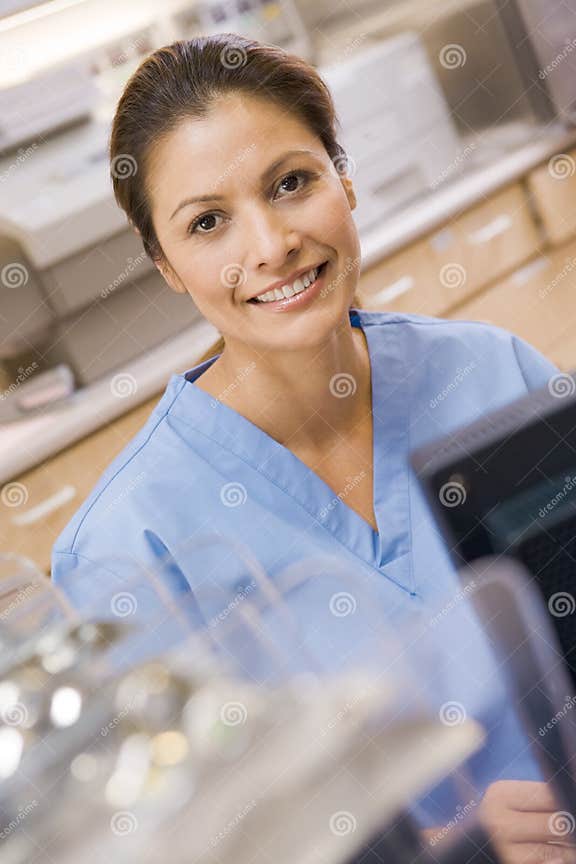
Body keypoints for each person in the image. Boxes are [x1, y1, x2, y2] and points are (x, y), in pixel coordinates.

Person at [51, 34, 573, 862]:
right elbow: (197, 845)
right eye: (209, 222)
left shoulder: (490, 370)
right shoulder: (130, 550)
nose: (270, 246)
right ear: (166, 264)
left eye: (291, 183)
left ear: (345, 178)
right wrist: (453, 846)